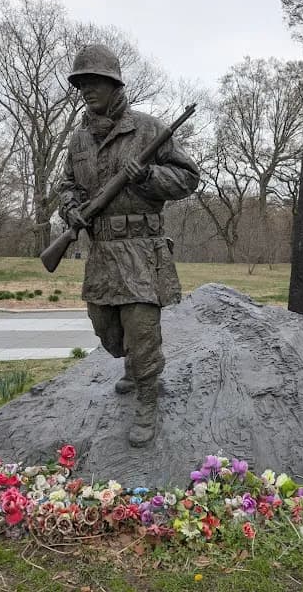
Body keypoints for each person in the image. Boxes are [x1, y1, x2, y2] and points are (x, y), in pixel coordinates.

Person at [57, 44, 199, 447]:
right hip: (101, 251)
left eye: (93, 82)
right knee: (107, 329)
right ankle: (132, 367)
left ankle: (147, 399)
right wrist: (71, 211)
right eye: (81, 83)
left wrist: (147, 176)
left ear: (114, 83)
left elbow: (188, 179)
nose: (86, 90)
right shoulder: (80, 140)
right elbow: (67, 184)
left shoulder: (149, 129)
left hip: (140, 247)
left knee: (142, 330)